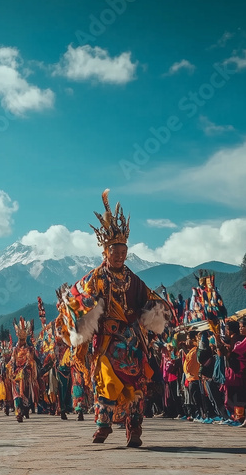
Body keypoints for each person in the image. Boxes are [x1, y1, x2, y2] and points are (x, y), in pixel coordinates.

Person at [56, 190, 170, 447]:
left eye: (123, 251)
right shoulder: (96, 277)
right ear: (105, 252)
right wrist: (76, 310)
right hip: (108, 342)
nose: (119, 256)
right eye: (114, 252)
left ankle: (134, 429)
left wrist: (158, 308)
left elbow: (148, 299)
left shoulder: (134, 279)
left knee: (136, 385)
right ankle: (103, 425)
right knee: (105, 382)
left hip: (132, 342)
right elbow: (77, 297)